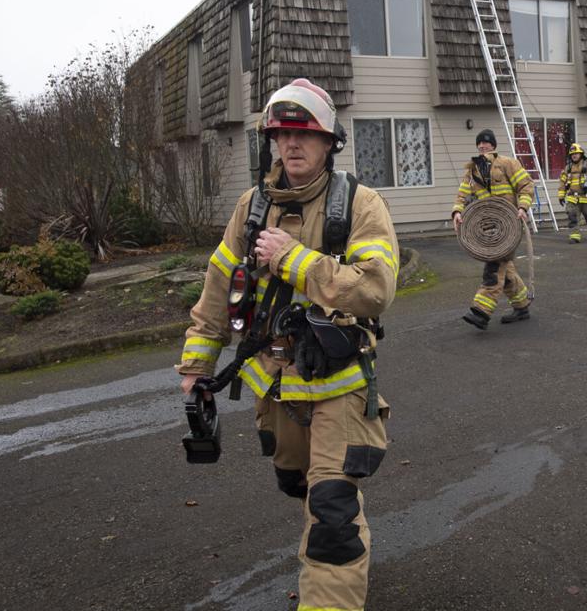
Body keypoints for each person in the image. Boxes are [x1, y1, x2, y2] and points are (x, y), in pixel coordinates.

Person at [176, 79, 398, 611]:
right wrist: (196, 365)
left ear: (329, 142)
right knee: (297, 485)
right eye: (280, 134)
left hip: (340, 384)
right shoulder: (251, 208)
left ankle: (328, 592)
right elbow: (218, 284)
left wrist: (292, 258)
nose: (290, 145)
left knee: (333, 506)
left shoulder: (362, 205)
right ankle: (329, 565)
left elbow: (375, 289)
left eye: (304, 134)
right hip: (273, 385)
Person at [452, 128, 534, 329]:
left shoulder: (507, 164)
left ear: (494, 145)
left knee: (494, 268)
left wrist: (522, 208)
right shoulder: (472, 170)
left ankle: (481, 312)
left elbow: (526, 185)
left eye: (486, 143)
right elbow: (462, 195)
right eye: (479, 143)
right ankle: (521, 305)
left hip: (510, 225)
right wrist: (457, 212)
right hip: (488, 228)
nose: (482, 146)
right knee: (505, 271)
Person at [557, 143, 587, 242]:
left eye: (576, 153)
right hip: (573, 198)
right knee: (572, 217)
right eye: (572, 154)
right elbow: (562, 182)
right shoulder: (568, 168)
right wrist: (561, 196)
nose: (574, 155)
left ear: (581, 154)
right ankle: (575, 236)